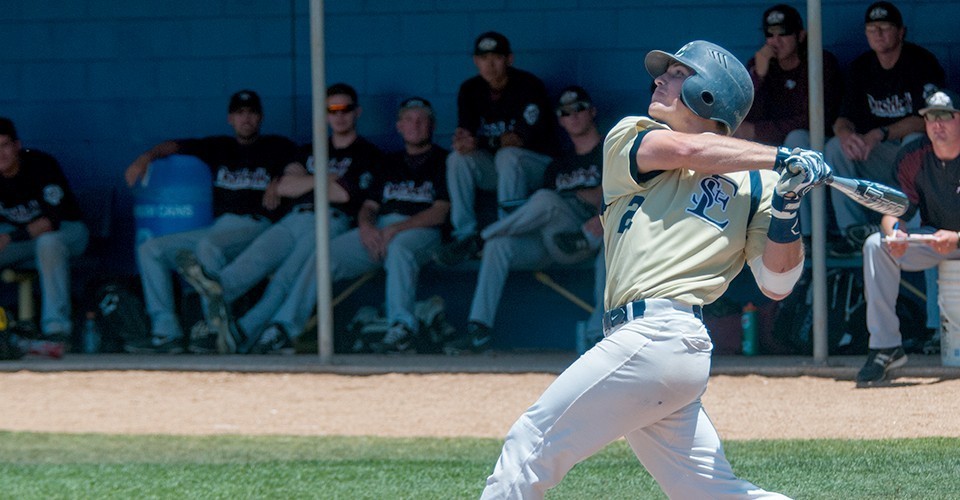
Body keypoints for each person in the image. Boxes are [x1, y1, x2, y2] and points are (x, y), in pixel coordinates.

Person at [479, 40, 831, 499]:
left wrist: (787, 207)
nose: (659, 79)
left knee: (529, 446)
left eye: (677, 73)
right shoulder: (631, 133)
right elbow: (688, 149)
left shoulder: (763, 183)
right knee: (708, 491)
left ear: (710, 93)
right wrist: (780, 156)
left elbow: (778, 282)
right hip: (655, 348)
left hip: (661, 335)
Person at [175, 83, 380, 354]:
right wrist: (326, 178)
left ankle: (242, 331)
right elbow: (284, 186)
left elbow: (343, 194)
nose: (339, 115)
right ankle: (217, 293)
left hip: (329, 221)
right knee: (254, 260)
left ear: (357, 112)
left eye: (346, 109)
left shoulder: (368, 153)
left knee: (286, 278)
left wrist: (306, 181)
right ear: (325, 114)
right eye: (332, 110)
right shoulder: (309, 149)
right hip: (293, 218)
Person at [257, 97, 449, 354]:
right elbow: (369, 206)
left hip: (421, 231)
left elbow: (440, 212)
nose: (415, 124)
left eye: (421, 120)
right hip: (380, 229)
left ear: (432, 126)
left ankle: (402, 327)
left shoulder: (443, 160)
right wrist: (367, 228)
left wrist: (396, 230)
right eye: (409, 119)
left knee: (401, 250)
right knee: (324, 256)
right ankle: (284, 327)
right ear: (399, 126)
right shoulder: (388, 161)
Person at [123, 90, 297, 354]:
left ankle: (215, 330)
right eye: (240, 113)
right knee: (151, 249)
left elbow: (301, 168)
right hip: (220, 228)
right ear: (230, 118)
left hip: (257, 226)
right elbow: (175, 145)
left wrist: (282, 181)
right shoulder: (220, 147)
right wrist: (146, 157)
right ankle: (166, 332)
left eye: (251, 113)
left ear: (260, 117)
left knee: (208, 246)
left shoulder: (276, 146)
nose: (246, 118)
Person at [441, 86, 603, 355]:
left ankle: (479, 237)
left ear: (592, 112)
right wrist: (581, 195)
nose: (573, 116)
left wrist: (582, 197)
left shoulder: (609, 152)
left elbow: (606, 196)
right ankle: (478, 329)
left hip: (593, 236)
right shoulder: (558, 165)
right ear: (560, 120)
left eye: (579, 109)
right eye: (565, 112)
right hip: (556, 241)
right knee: (500, 245)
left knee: (547, 200)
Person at [856, 89, 960, 385]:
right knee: (877, 245)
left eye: (945, 116)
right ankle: (885, 346)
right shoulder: (914, 156)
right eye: (930, 118)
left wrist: (957, 237)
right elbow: (893, 211)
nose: (937, 124)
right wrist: (895, 234)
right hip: (935, 238)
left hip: (955, 238)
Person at [825, 1, 945, 255]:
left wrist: (880, 134)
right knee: (836, 147)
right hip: (875, 157)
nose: (878, 34)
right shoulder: (861, 67)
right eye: (872, 29)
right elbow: (842, 119)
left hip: (912, 159)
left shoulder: (921, 62)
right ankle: (853, 232)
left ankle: (913, 225)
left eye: (885, 27)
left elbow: (930, 121)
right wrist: (847, 135)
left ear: (901, 32)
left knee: (914, 139)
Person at [434, 31, 558, 266]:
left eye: (496, 58)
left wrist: (479, 143)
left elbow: (516, 140)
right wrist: (462, 143)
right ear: (475, 61)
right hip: (500, 169)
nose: (489, 64)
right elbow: (467, 138)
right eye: (483, 58)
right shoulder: (470, 89)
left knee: (508, 154)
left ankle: (505, 231)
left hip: (537, 168)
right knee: (457, 159)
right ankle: (466, 235)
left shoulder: (528, 85)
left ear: (509, 59)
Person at [735, 3, 843, 242]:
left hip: (820, 149)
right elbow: (742, 118)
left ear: (801, 35)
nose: (775, 41)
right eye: (770, 34)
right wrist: (758, 76)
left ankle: (811, 236)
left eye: (783, 34)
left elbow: (814, 119)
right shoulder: (760, 65)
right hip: (778, 154)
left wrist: (758, 130)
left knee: (797, 140)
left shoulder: (819, 62)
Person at [0, 118, 89, 346]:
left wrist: (9, 237)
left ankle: (57, 328)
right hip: (22, 239)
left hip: (67, 232)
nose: (0, 154)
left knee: (48, 243)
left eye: (4, 145)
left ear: (17, 145)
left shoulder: (40, 165)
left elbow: (51, 222)